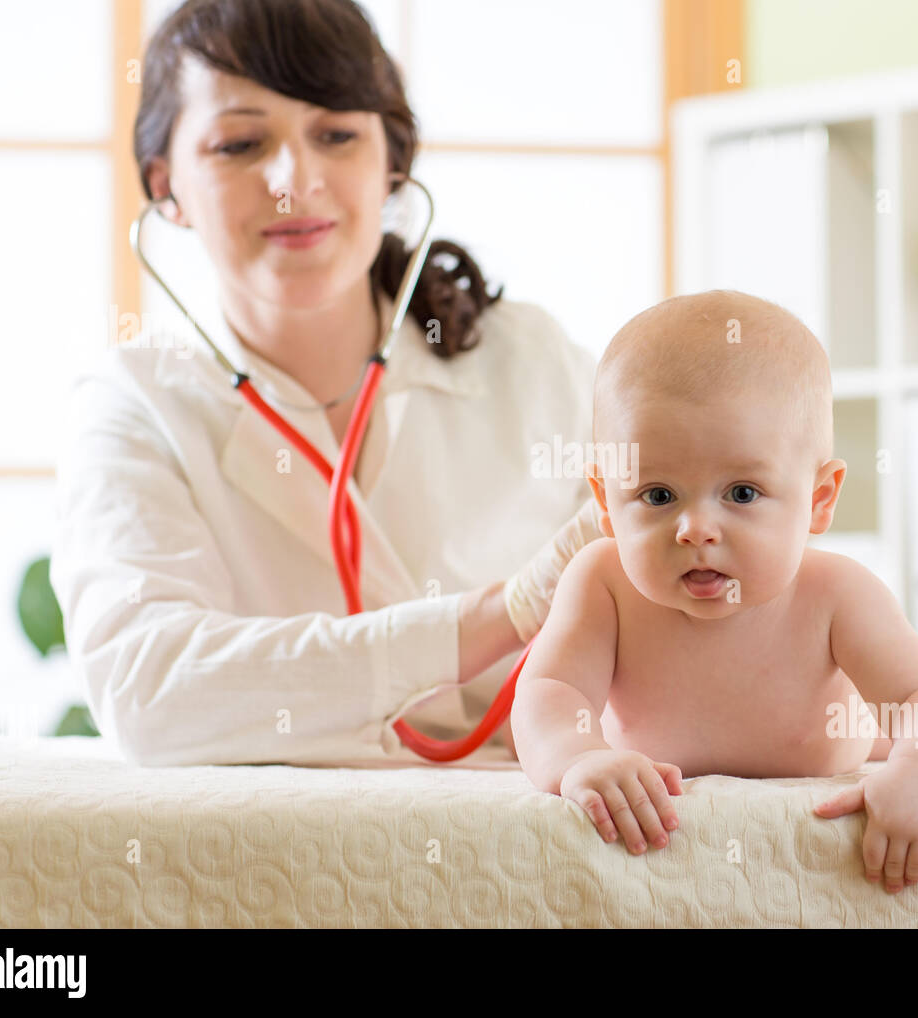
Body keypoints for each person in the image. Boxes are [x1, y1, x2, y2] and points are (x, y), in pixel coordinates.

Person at [49, 0, 604, 767]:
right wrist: (495, 617)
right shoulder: (137, 404)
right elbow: (149, 692)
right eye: (240, 143)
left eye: (336, 134)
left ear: (392, 165)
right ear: (165, 185)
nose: (292, 180)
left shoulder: (537, 363)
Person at [510, 290, 918, 891]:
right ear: (605, 502)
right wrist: (578, 757)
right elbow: (550, 690)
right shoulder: (603, 583)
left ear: (819, 500)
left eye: (742, 494)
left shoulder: (836, 593)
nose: (695, 529)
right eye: (657, 495)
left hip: (849, 724)